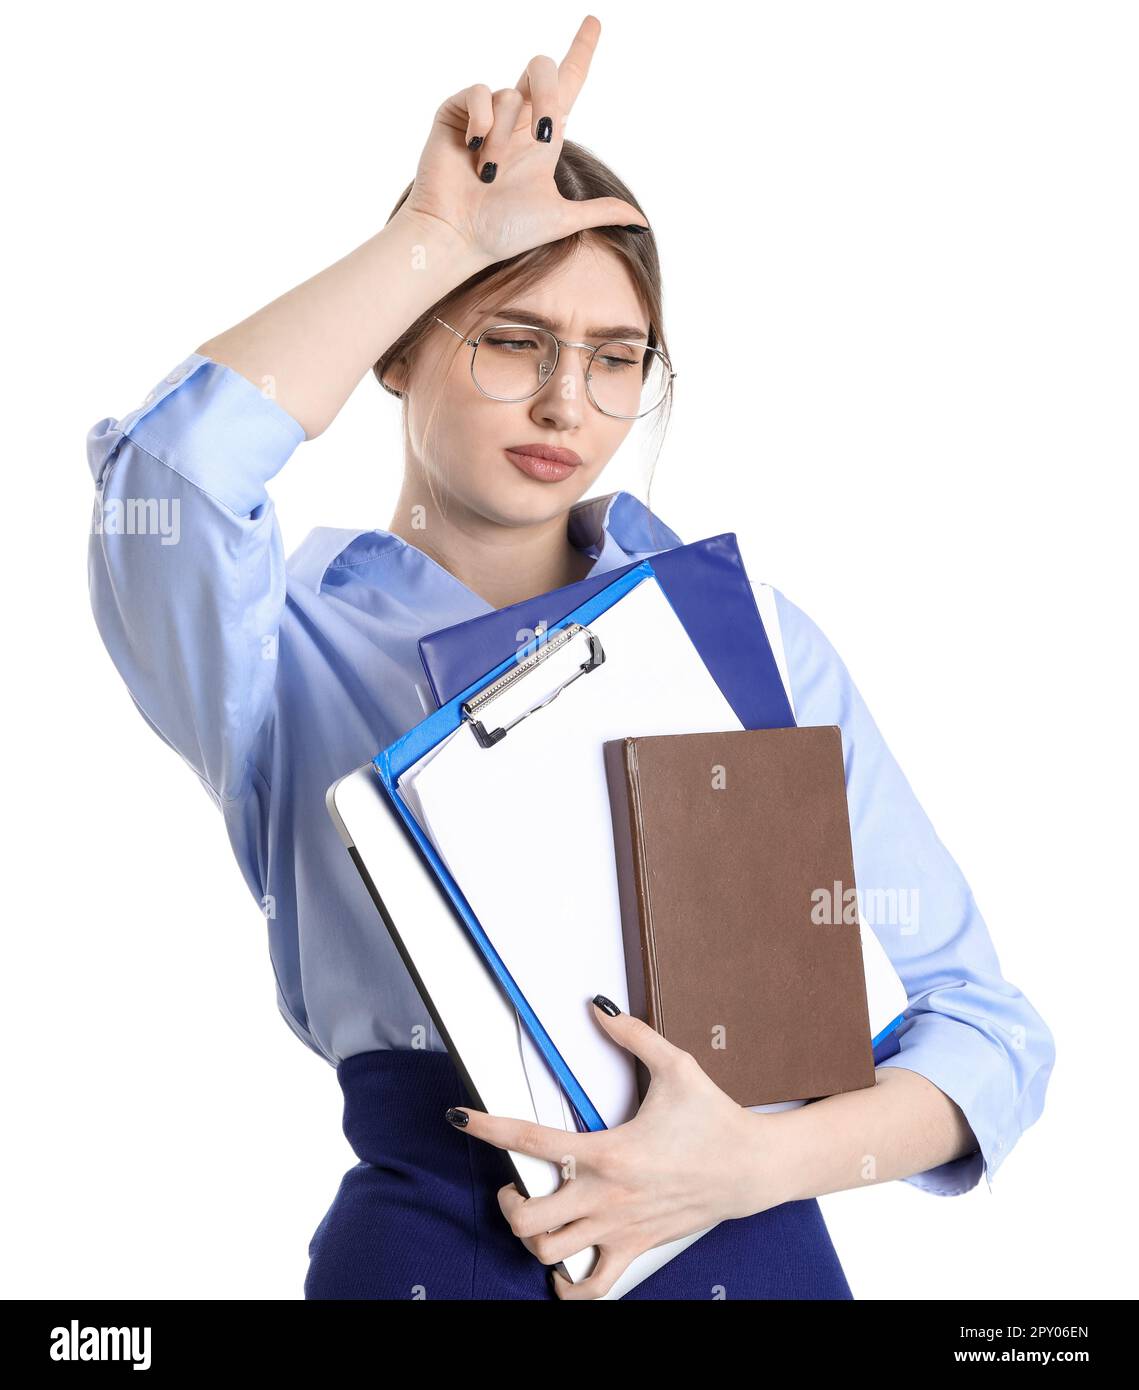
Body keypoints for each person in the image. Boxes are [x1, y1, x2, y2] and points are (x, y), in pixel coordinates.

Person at [86, 15, 1054, 1301]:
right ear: (399, 343)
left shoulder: (743, 641)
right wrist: (433, 239)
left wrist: (748, 1164)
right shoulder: (286, 641)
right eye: (510, 337)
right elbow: (172, 477)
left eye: (613, 360)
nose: (563, 404)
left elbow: (988, 1031)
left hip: (753, 1258)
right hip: (427, 1258)